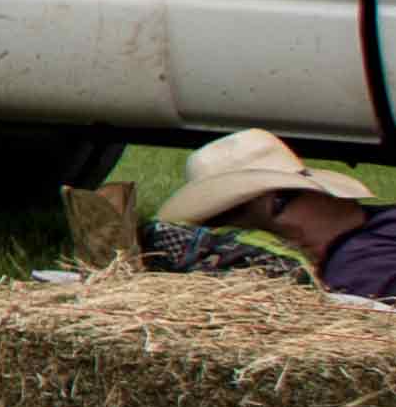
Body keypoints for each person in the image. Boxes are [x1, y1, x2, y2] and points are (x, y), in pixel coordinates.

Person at [153, 127, 396, 299]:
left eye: (295, 190)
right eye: (285, 199)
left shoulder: (374, 226)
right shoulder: (358, 267)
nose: (321, 194)